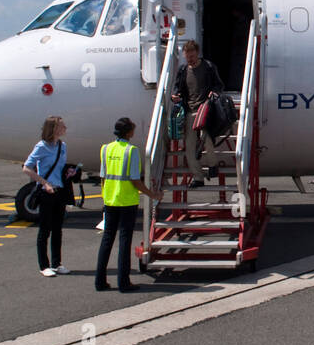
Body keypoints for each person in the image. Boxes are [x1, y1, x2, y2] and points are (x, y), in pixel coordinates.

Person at [95, 117, 162, 292]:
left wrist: (105, 195)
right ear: (129, 133)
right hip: (126, 200)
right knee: (124, 241)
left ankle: (99, 281)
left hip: (110, 199)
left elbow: (103, 176)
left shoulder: (106, 148)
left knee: (107, 239)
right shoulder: (131, 151)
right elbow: (135, 180)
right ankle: (123, 282)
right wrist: (152, 194)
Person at [171, 40, 225, 187]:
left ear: (197, 53)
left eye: (193, 56)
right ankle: (198, 177)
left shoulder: (208, 67)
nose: (191, 60)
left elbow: (219, 84)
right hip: (189, 111)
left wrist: (214, 92)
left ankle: (213, 165)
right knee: (189, 146)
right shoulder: (183, 70)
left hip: (205, 109)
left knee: (206, 138)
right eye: (188, 57)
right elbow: (177, 88)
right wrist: (175, 96)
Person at [23, 116, 69, 277]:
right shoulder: (41, 147)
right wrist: (44, 183)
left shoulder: (62, 146)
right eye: (62, 125)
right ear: (54, 129)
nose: (65, 128)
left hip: (59, 191)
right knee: (45, 230)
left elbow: (60, 168)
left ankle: (57, 263)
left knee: (58, 229)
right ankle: (44, 265)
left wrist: (69, 173)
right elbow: (27, 168)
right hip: (46, 192)